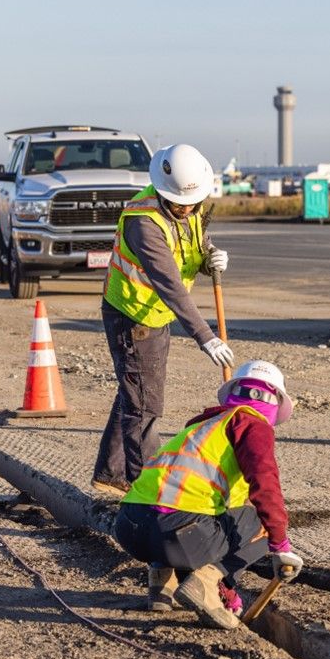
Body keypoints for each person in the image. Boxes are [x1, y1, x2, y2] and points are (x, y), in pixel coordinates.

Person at [113, 360, 305, 629]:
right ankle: (207, 582)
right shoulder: (253, 425)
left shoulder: (201, 426)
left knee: (190, 514)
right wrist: (280, 545)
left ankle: (161, 581)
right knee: (260, 524)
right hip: (174, 534)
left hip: (129, 526)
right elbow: (265, 484)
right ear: (274, 401)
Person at [92, 143, 235, 495]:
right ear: (161, 190)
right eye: (179, 203)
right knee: (144, 406)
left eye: (192, 203)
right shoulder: (144, 223)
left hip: (155, 316)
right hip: (133, 317)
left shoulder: (191, 206)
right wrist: (205, 336)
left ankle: (111, 473)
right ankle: (148, 491)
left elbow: (193, 246)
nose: (186, 209)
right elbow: (170, 283)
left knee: (135, 393)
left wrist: (210, 258)